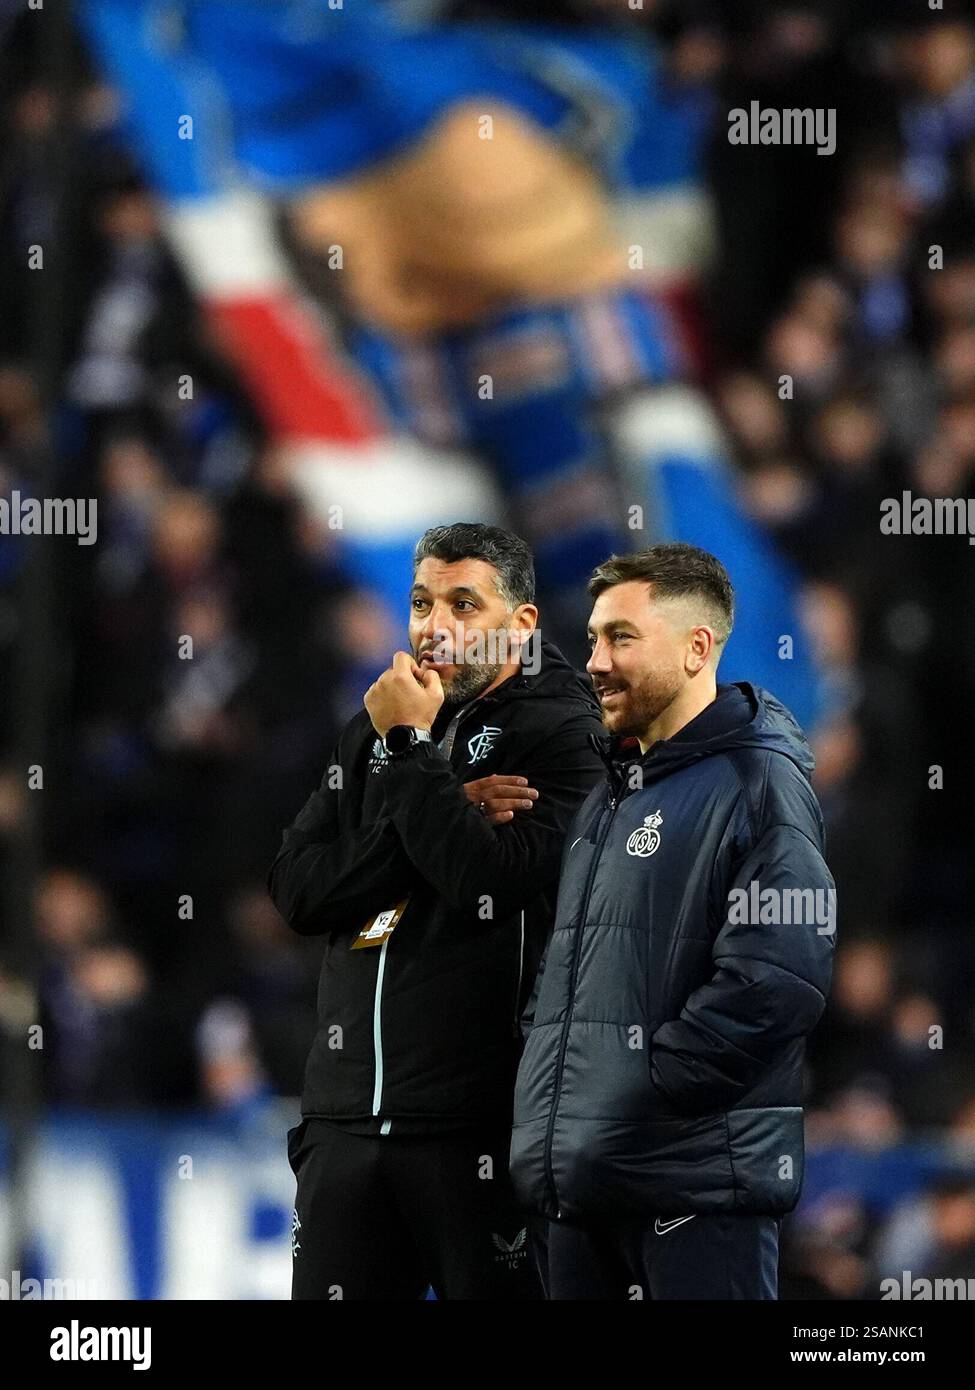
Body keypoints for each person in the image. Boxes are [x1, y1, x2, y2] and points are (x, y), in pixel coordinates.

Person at [267, 522, 605, 1299]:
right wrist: (428, 796)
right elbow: (299, 889)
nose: (434, 626)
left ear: (520, 624)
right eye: (421, 603)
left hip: (476, 1124)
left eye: (463, 603)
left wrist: (413, 755)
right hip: (344, 1118)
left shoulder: (561, 728)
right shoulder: (379, 725)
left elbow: (483, 881)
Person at [510, 542, 836, 1299]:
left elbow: (779, 976)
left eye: (621, 637)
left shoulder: (757, 781)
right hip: (585, 1191)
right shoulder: (608, 795)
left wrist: (652, 1085)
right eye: (593, 637)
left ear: (697, 649)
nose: (595, 660)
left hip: (692, 1195)